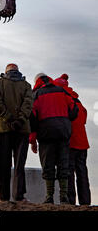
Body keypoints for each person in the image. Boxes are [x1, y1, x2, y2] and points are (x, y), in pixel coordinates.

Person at [30, 73, 78, 204]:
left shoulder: (37, 94)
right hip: (63, 133)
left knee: (48, 164)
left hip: (46, 134)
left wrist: (32, 140)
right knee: (64, 164)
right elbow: (74, 109)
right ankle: (63, 196)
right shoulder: (61, 91)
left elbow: (32, 118)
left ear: (37, 82)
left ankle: (49, 196)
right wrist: (65, 119)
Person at [0, 63, 33, 202]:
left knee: (3, 164)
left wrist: (8, 118)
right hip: (22, 129)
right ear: (18, 71)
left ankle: (3, 197)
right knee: (19, 164)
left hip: (3, 128)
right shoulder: (26, 85)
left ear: (6, 71)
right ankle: (19, 196)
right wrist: (20, 120)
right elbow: (28, 104)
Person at [54, 74, 91, 205]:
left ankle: (70, 202)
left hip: (70, 143)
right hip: (83, 142)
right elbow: (84, 118)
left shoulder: (63, 99)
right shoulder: (78, 101)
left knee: (68, 173)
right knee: (82, 173)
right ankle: (85, 202)